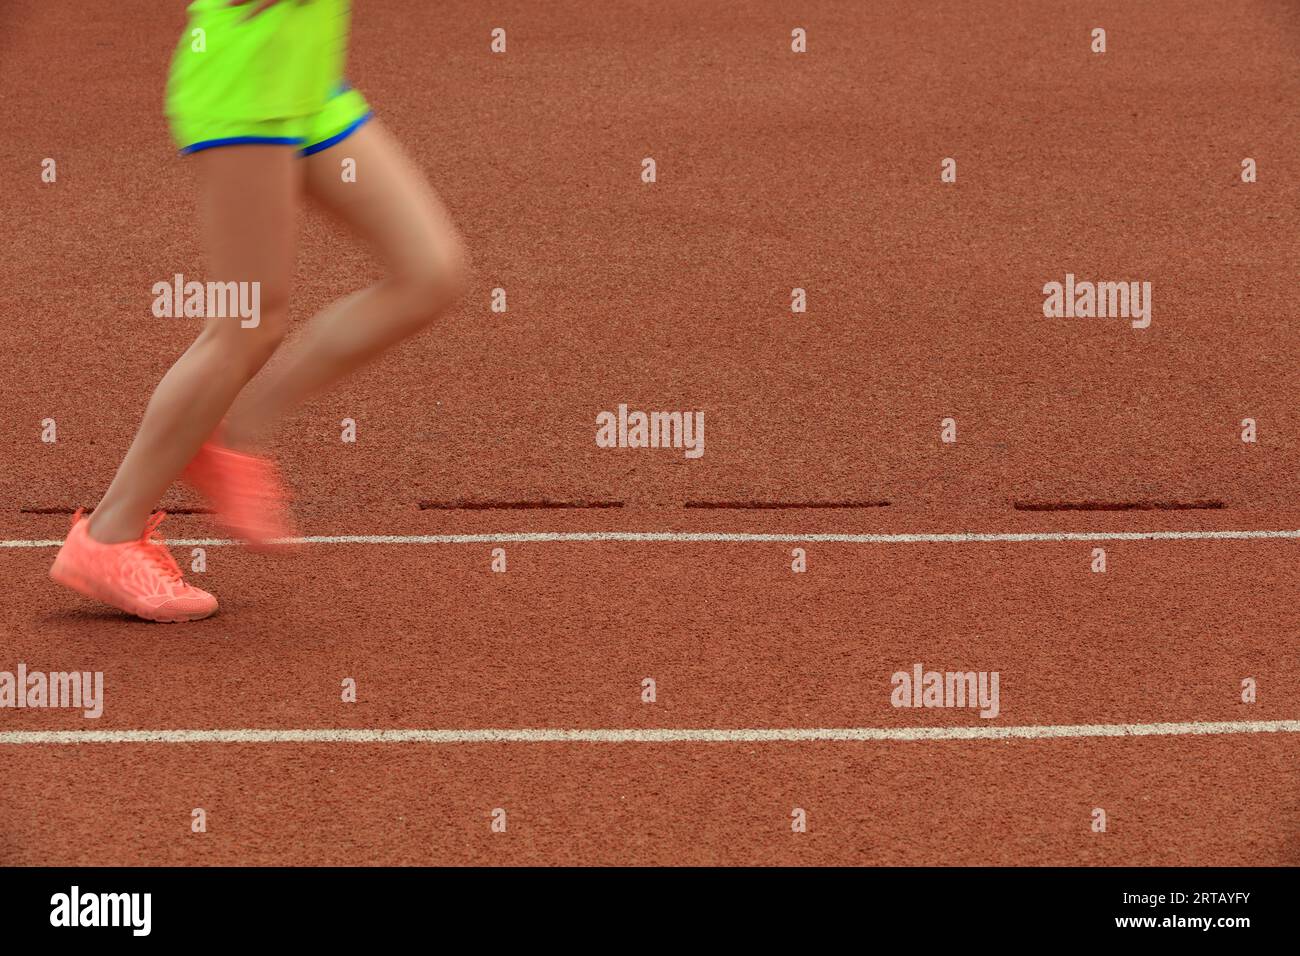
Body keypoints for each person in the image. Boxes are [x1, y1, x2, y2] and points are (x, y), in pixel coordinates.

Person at [50, 0, 468, 621]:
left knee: (431, 273)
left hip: (307, 83)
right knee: (247, 320)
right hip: (244, 84)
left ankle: (224, 432)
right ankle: (109, 536)